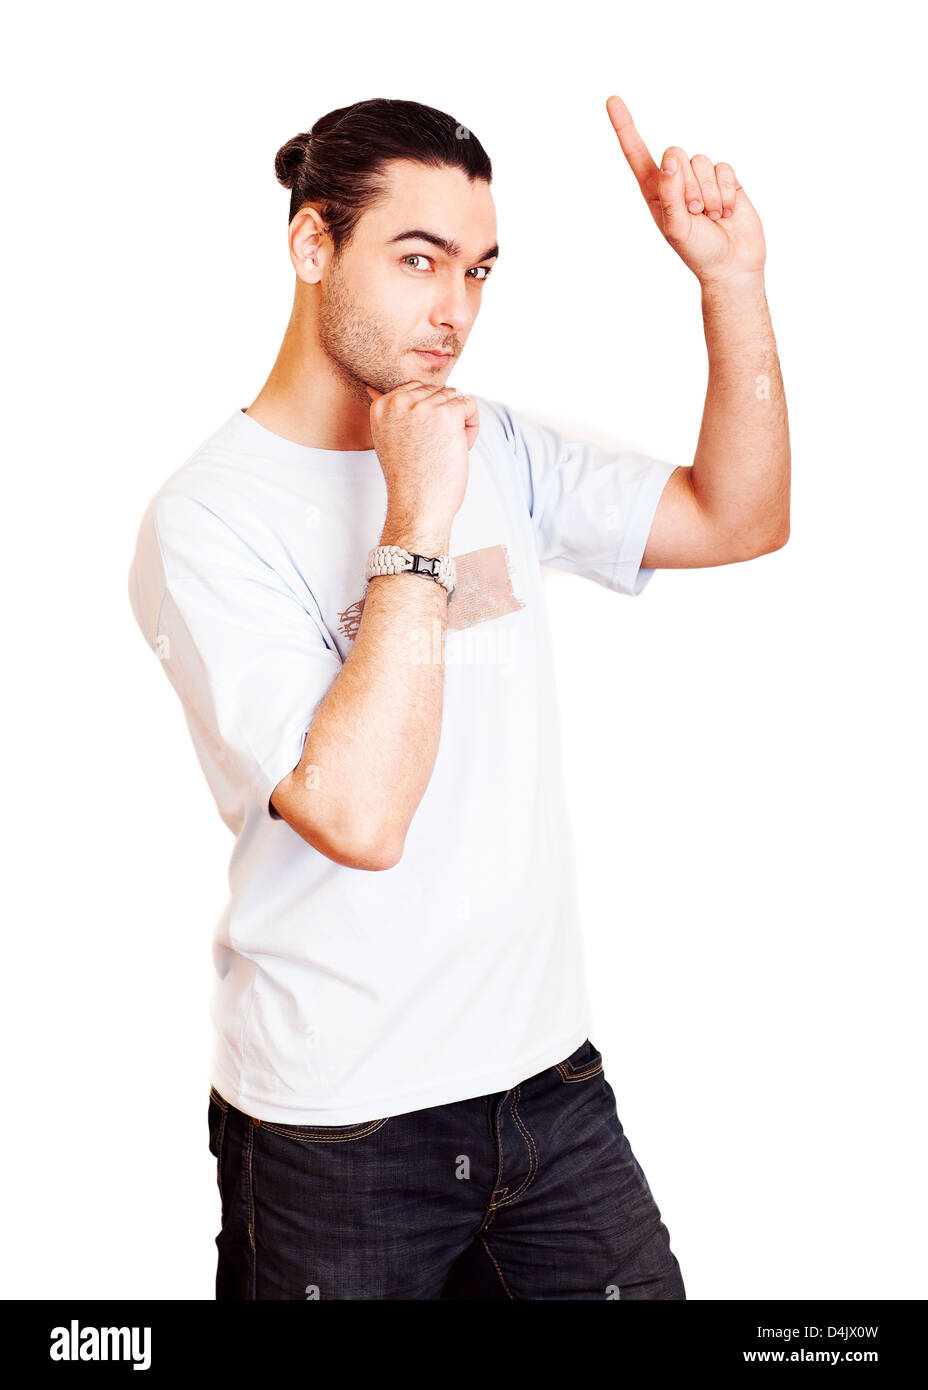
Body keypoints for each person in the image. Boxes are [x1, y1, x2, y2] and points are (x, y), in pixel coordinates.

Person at [127, 95, 789, 1300]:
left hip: (548, 1094)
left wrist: (729, 284)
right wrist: (417, 514)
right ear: (312, 245)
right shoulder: (208, 520)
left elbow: (736, 518)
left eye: (478, 270)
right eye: (418, 259)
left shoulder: (498, 446)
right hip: (338, 1130)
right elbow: (359, 816)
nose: (455, 311)